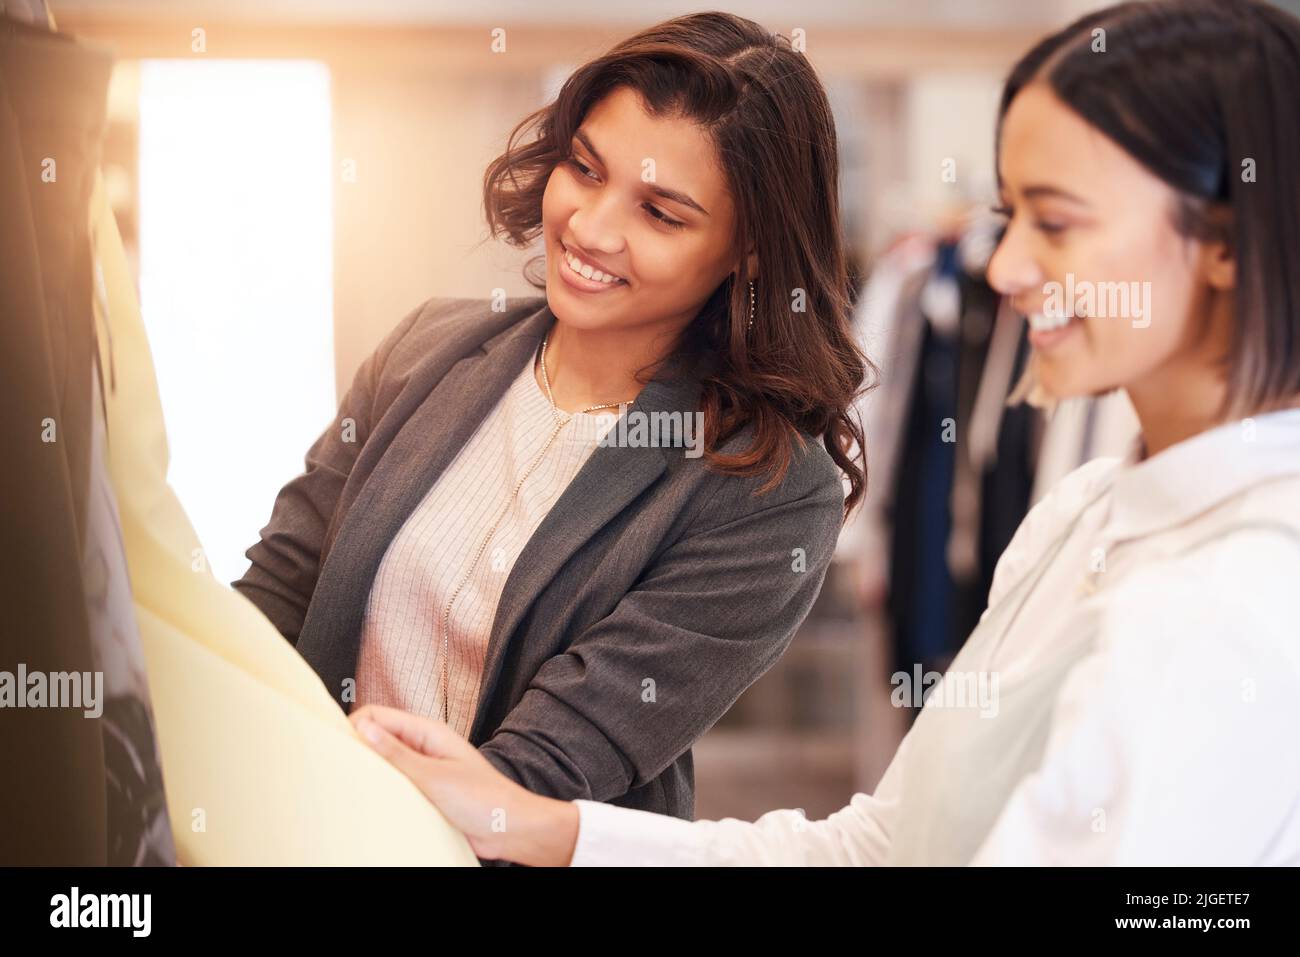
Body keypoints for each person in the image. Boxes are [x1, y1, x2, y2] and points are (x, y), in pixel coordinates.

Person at [352, 0, 1300, 865]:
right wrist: (536, 824)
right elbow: (891, 842)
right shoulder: (1084, 515)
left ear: (1224, 240)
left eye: (1055, 222)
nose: (1004, 267)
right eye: (1011, 217)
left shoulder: (1249, 595)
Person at [232, 11, 870, 826]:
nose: (592, 227)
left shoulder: (767, 490)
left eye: (661, 214)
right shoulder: (425, 350)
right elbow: (274, 601)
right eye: (586, 168)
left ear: (748, 250)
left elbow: (547, 767)